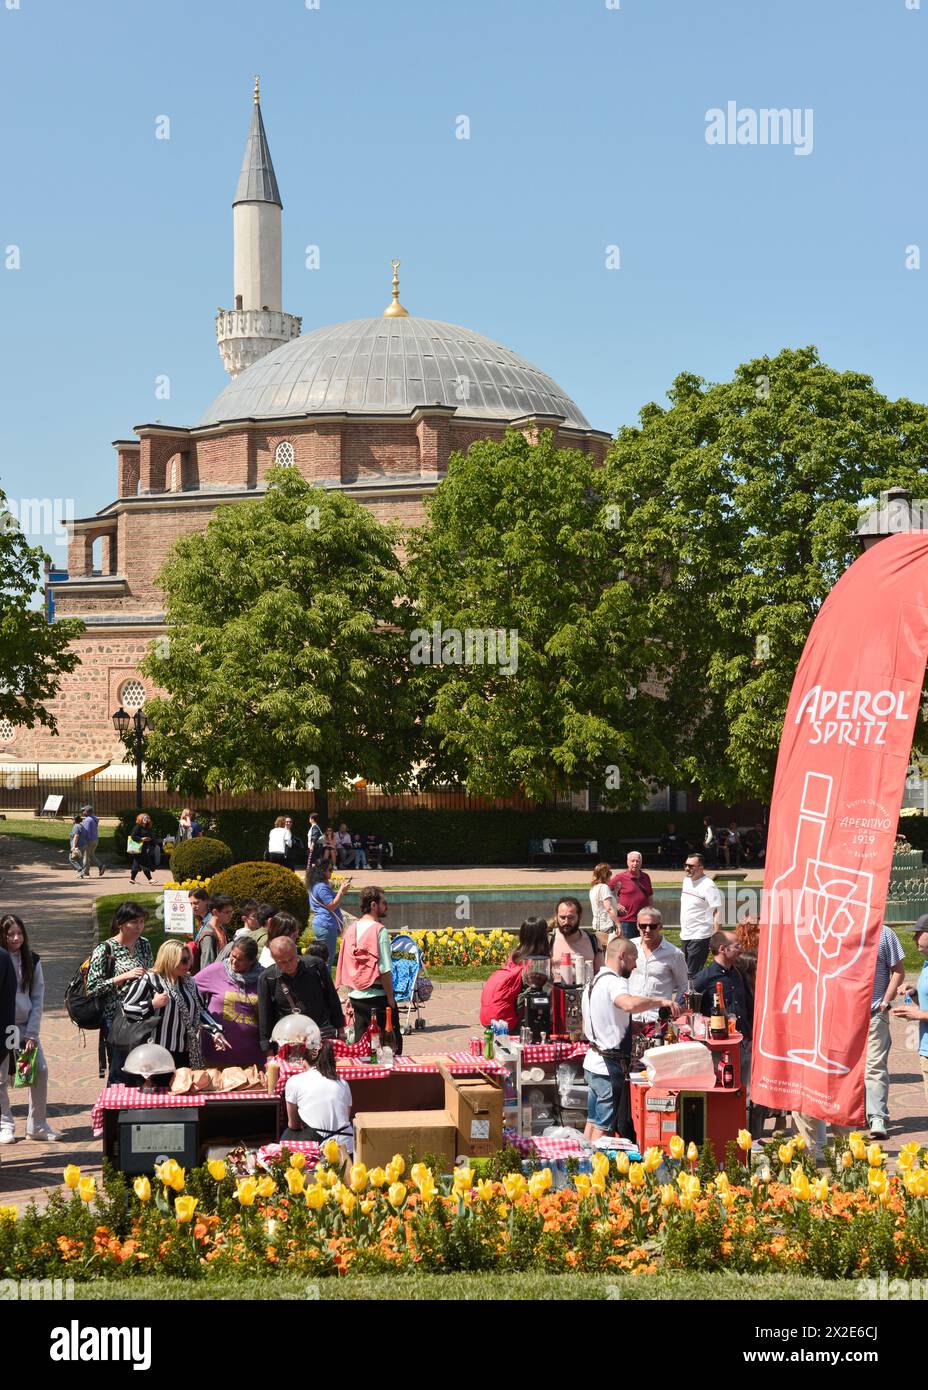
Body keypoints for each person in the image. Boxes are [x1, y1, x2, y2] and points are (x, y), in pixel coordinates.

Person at [582, 936, 679, 1143]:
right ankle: (595, 1171)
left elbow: (593, 1020)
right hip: (607, 1065)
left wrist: (626, 1026)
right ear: (622, 956)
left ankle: (580, 1164)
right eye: (634, 959)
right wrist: (660, 1001)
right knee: (604, 1129)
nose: (635, 966)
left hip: (592, 1061)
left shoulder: (593, 982)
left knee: (592, 1121)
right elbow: (628, 1004)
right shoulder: (614, 982)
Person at [121, 940, 230, 1068]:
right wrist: (153, 1004)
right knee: (160, 1088)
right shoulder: (151, 980)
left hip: (185, 1052)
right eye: (183, 960)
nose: (188, 965)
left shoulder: (189, 982)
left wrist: (215, 1031)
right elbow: (127, 1008)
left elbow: (200, 1011)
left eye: (189, 959)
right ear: (169, 960)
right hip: (156, 1052)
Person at [0, 915, 60, 1142]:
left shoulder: (32, 961)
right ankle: (5, 1123)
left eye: (19, 933)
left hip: (24, 1028)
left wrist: (32, 1033)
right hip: (4, 1027)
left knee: (38, 1071)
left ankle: (37, 1125)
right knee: (1, 1076)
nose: (16, 938)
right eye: (10, 934)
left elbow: (37, 998)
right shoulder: (2, 960)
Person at [86, 902, 155, 1083]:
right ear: (120, 923)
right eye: (134, 922)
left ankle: (137, 1109)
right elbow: (92, 988)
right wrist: (123, 977)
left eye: (141, 922)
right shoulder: (105, 950)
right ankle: (113, 1109)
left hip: (143, 1015)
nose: (139, 927)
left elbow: (151, 973)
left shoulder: (144, 945)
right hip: (117, 1020)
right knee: (120, 1071)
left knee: (143, 1070)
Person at [334, 884, 401, 1053]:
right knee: (387, 1047)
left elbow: (347, 965)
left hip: (356, 997)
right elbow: (385, 969)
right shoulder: (380, 931)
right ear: (373, 905)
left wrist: (349, 993)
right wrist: (391, 999)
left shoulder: (351, 930)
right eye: (384, 903)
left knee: (362, 1047)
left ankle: (365, 1076)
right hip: (377, 998)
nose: (386, 906)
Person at [688, 929, 752, 1091]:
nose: (741, 949)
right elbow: (686, 1006)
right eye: (737, 945)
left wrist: (751, 1037)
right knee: (724, 1091)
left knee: (744, 1093)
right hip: (721, 1051)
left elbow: (749, 1006)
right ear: (723, 949)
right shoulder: (704, 977)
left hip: (744, 1046)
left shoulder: (738, 974)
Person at [258, 937, 345, 1052]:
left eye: (291, 959)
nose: (289, 965)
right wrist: (268, 1052)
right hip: (290, 1040)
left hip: (321, 1032)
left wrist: (341, 1030)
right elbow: (265, 1016)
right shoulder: (268, 978)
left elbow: (332, 998)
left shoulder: (315, 966)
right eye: (282, 962)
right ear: (274, 959)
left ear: (296, 952)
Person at [281, 1019, 354, 1152]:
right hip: (346, 1145)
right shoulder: (343, 1083)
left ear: (304, 1062)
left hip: (319, 1145)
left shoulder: (294, 1081)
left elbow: (293, 1125)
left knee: (287, 1135)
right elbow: (345, 1117)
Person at [865, 923, 907, 1139]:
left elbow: (898, 971)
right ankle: (855, 1112)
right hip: (845, 1016)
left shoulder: (884, 933)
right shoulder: (840, 930)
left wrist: (885, 1002)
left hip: (874, 1012)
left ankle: (877, 1115)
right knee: (846, 1067)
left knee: (875, 1065)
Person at [195, 935, 264, 1067]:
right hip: (216, 1055)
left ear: (251, 961)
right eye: (233, 955)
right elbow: (189, 988)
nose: (234, 961)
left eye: (240, 959)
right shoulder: (216, 971)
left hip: (252, 1057)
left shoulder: (263, 978)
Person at [479, 917, 551, 1033]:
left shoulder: (515, 955)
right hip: (523, 1020)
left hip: (508, 1015)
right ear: (542, 937)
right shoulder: (535, 962)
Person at [625, 907, 688, 1023]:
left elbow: (684, 986)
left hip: (657, 1019)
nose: (647, 930)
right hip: (630, 1018)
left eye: (652, 926)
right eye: (643, 926)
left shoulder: (674, 954)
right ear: (637, 926)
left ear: (660, 926)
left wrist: (674, 1008)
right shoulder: (628, 947)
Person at [895, 916, 928, 1108]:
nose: (914, 939)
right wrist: (913, 993)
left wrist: (917, 1015)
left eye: (918, 934)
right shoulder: (925, 965)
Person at [679, 852, 722, 976]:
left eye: (691, 866)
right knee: (684, 972)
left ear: (701, 868)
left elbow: (718, 912)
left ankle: (693, 995)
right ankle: (689, 994)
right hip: (685, 934)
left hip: (700, 935)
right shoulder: (686, 881)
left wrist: (716, 937)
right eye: (686, 865)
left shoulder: (709, 886)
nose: (687, 868)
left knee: (692, 974)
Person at [308, 861, 351, 967]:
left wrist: (341, 892)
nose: (332, 872)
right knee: (327, 959)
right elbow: (331, 905)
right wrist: (341, 891)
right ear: (322, 871)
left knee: (321, 958)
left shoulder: (315, 885)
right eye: (330, 870)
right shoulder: (321, 887)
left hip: (322, 924)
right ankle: (325, 982)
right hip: (326, 924)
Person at [549, 897, 603, 974]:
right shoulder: (549, 940)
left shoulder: (593, 941)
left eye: (571, 917)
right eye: (562, 917)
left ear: (580, 916)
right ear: (557, 916)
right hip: (557, 985)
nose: (566, 922)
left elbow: (600, 972)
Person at [608, 851, 654, 940]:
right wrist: (616, 905)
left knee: (643, 948)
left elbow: (650, 896)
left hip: (643, 920)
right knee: (627, 948)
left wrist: (651, 913)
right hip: (626, 921)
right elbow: (605, 892)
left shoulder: (646, 877)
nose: (635, 863)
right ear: (627, 862)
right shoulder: (620, 877)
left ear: (641, 862)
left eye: (638, 861)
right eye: (632, 861)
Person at [193, 894, 234, 972]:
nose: (230, 915)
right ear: (215, 912)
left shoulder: (221, 928)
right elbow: (206, 968)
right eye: (227, 912)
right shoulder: (208, 936)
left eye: (231, 912)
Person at [589, 864, 624, 941]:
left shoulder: (593, 888)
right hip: (607, 926)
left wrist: (616, 891)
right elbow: (609, 908)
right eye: (610, 873)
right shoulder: (604, 887)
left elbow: (606, 903)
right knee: (610, 951)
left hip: (598, 925)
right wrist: (618, 924)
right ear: (605, 875)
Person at [128, 813, 157, 884]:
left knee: (137, 863)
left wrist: (153, 843)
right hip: (138, 848)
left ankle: (132, 879)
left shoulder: (147, 828)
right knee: (144, 863)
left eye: (147, 818)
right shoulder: (137, 827)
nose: (146, 819)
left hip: (143, 848)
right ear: (140, 819)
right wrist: (142, 839)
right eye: (144, 818)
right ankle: (150, 879)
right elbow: (133, 836)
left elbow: (151, 838)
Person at [80, 805, 105, 878]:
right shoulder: (94, 818)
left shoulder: (87, 820)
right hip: (95, 839)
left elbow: (86, 831)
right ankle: (101, 866)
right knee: (91, 855)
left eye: (83, 810)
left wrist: (84, 840)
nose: (82, 812)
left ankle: (85, 872)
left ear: (87, 812)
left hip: (89, 840)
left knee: (86, 856)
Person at [69, 814, 88, 878]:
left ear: (75, 820)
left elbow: (76, 836)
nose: (72, 821)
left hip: (78, 846)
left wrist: (73, 846)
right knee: (78, 859)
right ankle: (81, 874)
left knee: (72, 858)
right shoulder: (82, 826)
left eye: (73, 819)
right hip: (83, 845)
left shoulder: (76, 826)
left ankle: (81, 870)